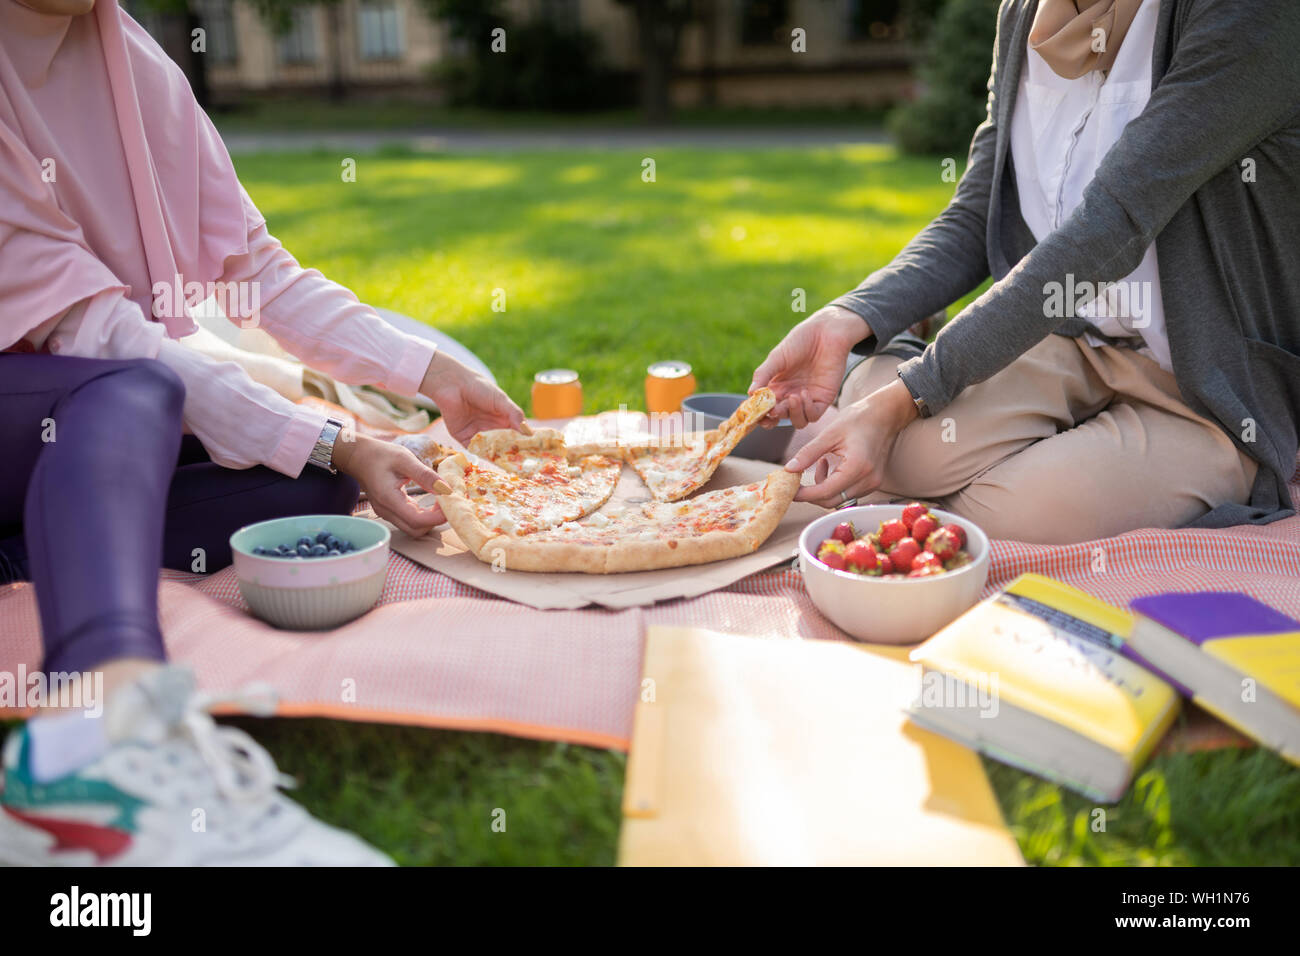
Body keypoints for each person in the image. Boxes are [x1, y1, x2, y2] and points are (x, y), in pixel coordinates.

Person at [0, 0, 526, 864]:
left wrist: (436, 375)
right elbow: (97, 336)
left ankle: (37, 552)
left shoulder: (133, 58)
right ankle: (91, 747)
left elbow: (260, 277)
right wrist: (339, 433)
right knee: (135, 391)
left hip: (76, 423)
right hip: (66, 399)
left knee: (314, 500)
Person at [754, 0, 1300, 545]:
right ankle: (893, 367)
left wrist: (905, 395)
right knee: (902, 455)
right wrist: (847, 317)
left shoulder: (1247, 14)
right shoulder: (1023, 15)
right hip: (1064, 338)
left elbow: (1110, 228)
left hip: (1202, 386)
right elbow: (975, 216)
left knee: (1013, 517)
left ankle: (893, 386)